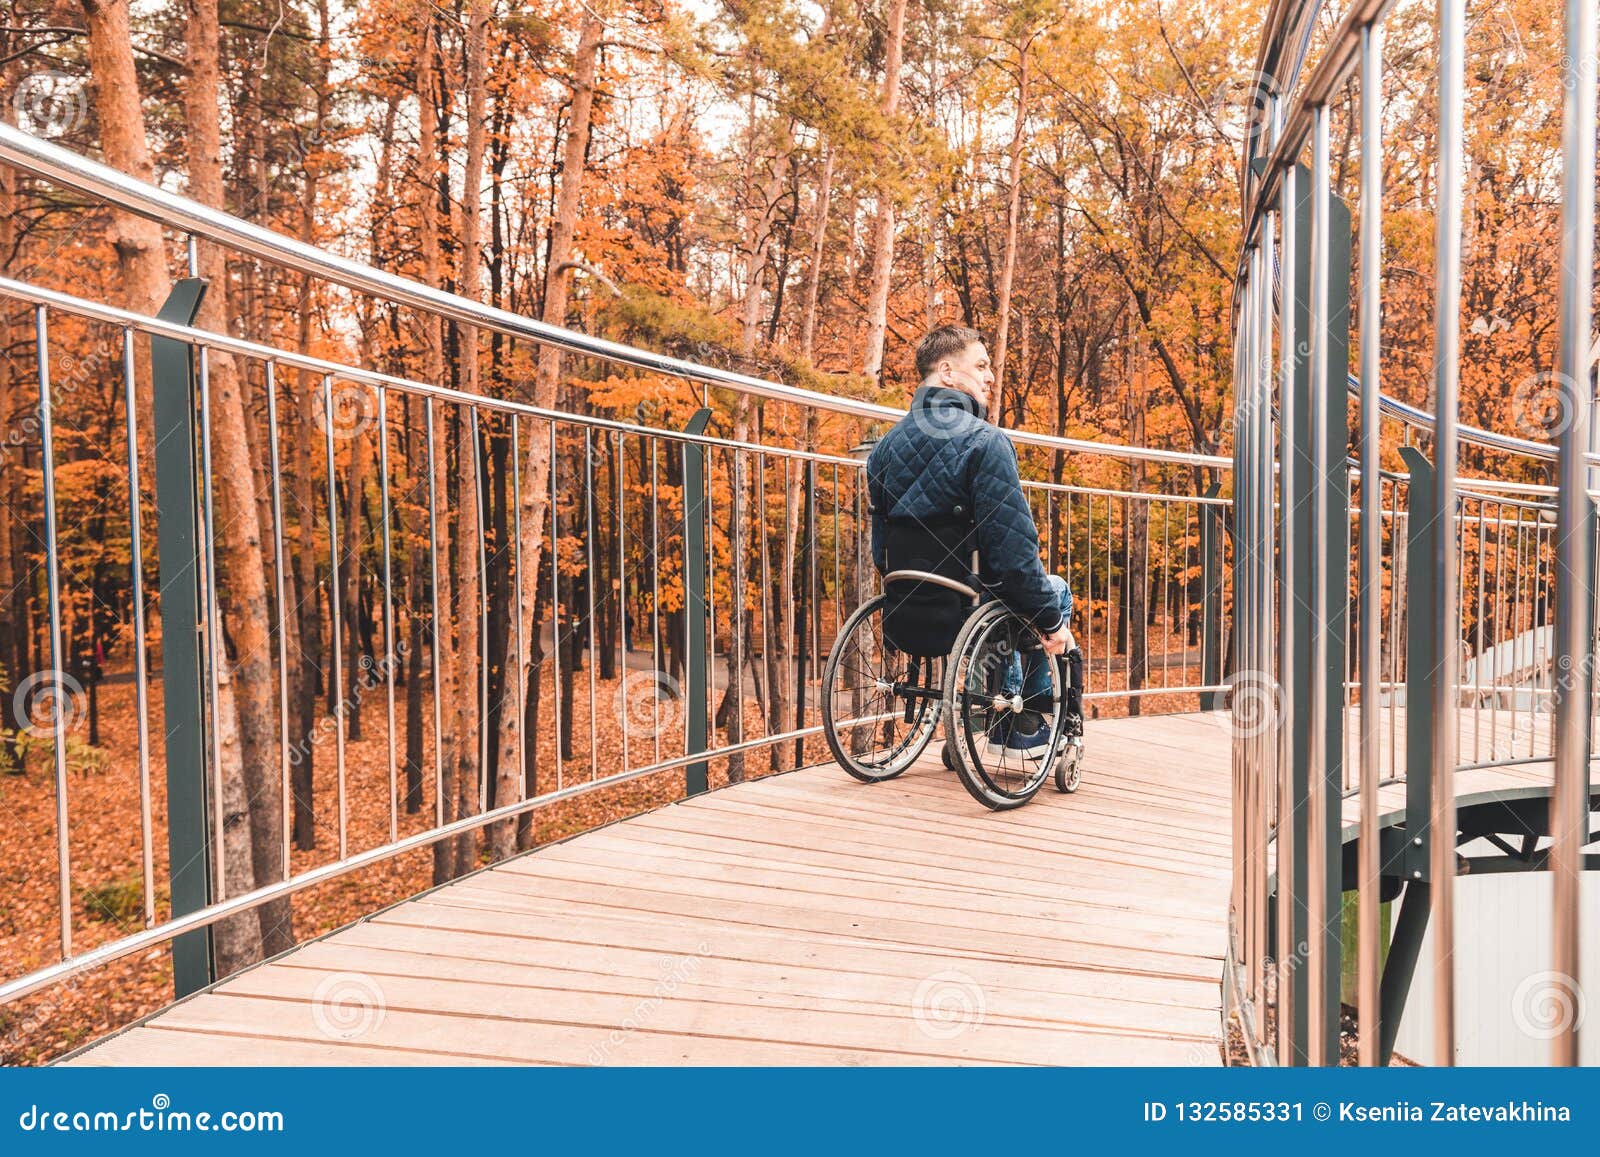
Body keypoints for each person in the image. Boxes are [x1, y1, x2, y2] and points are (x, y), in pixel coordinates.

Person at [866, 324, 1075, 763]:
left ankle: (976, 724)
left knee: (1008, 595)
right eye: (981, 365)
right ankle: (1021, 730)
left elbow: (880, 548)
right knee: (1050, 593)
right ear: (946, 371)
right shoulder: (987, 441)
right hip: (971, 605)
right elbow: (1015, 554)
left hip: (907, 600)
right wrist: (1053, 622)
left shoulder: (883, 449)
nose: (991, 377)